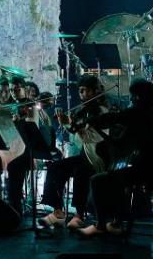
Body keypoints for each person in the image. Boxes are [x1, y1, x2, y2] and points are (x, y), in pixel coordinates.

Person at [79, 79, 153, 237]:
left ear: (138, 97)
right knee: (117, 177)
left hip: (141, 171)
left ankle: (100, 225)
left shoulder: (136, 113)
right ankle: (116, 222)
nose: (131, 99)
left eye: (133, 96)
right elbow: (122, 143)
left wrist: (94, 121)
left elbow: (112, 119)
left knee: (97, 180)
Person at [41, 75, 109, 229]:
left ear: (94, 92)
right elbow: (78, 138)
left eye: (84, 91)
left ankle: (79, 214)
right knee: (55, 167)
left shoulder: (102, 111)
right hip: (85, 155)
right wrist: (67, 124)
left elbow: (95, 138)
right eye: (80, 91)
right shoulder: (84, 111)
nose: (81, 95)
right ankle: (58, 210)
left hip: (97, 157)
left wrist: (73, 126)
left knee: (81, 171)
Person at [0, 76, 32, 214]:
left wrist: (15, 112)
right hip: (3, 151)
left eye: (7, 91)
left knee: (15, 166)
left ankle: (15, 205)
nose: (4, 94)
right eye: (1, 92)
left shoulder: (18, 107)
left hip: (19, 151)